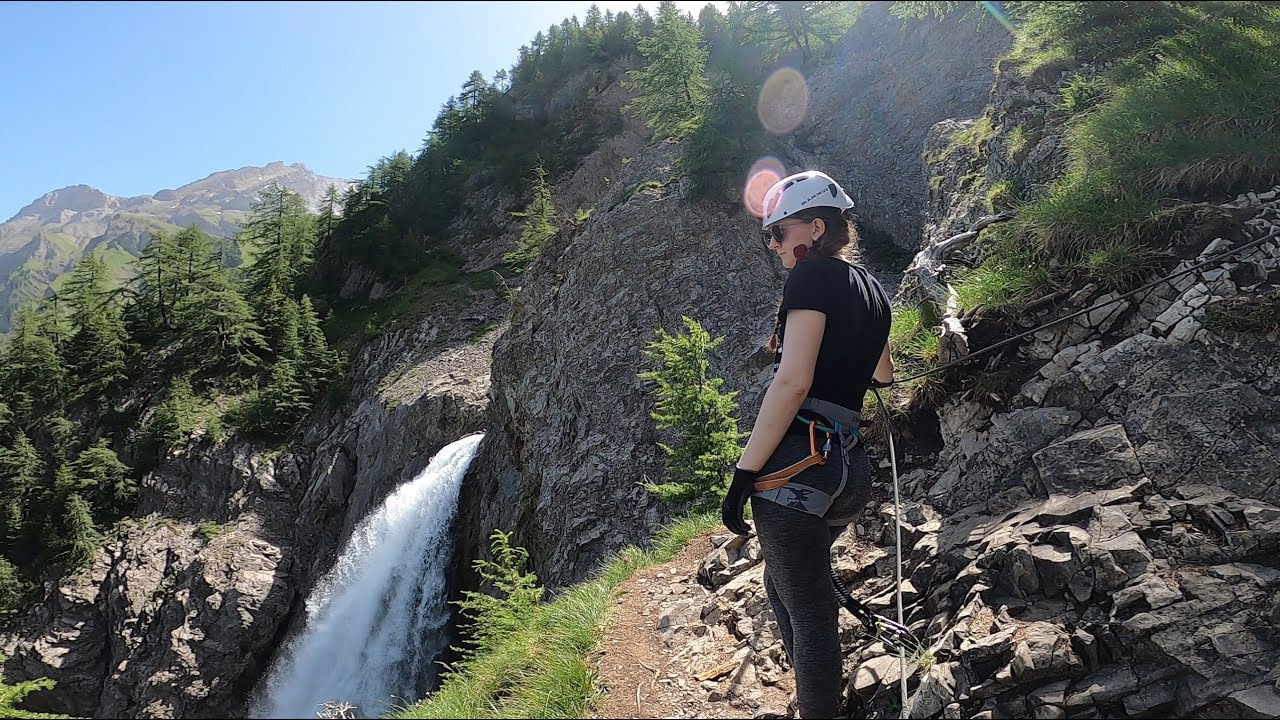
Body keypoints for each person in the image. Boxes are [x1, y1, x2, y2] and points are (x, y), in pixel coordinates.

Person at [722, 170, 894, 719]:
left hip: (797, 465)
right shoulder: (870, 287)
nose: (772, 244)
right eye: (768, 234)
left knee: (811, 615)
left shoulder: (810, 276)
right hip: (849, 469)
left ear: (815, 228)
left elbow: (791, 383)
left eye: (779, 232)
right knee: (789, 582)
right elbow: (885, 374)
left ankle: (818, 708)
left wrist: (743, 474)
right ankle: (812, 697)